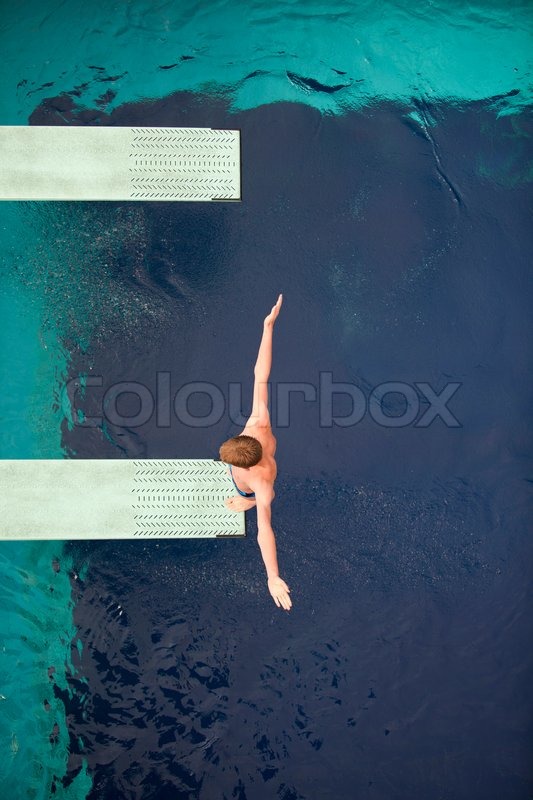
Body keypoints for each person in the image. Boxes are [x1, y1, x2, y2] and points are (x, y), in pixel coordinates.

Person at [219, 294, 292, 611]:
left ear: (243, 467)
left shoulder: (261, 480)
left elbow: (265, 531)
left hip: (253, 491)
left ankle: (244, 501)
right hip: (257, 463)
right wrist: (268, 327)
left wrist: (272, 577)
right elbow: (260, 374)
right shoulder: (257, 424)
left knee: (264, 501)